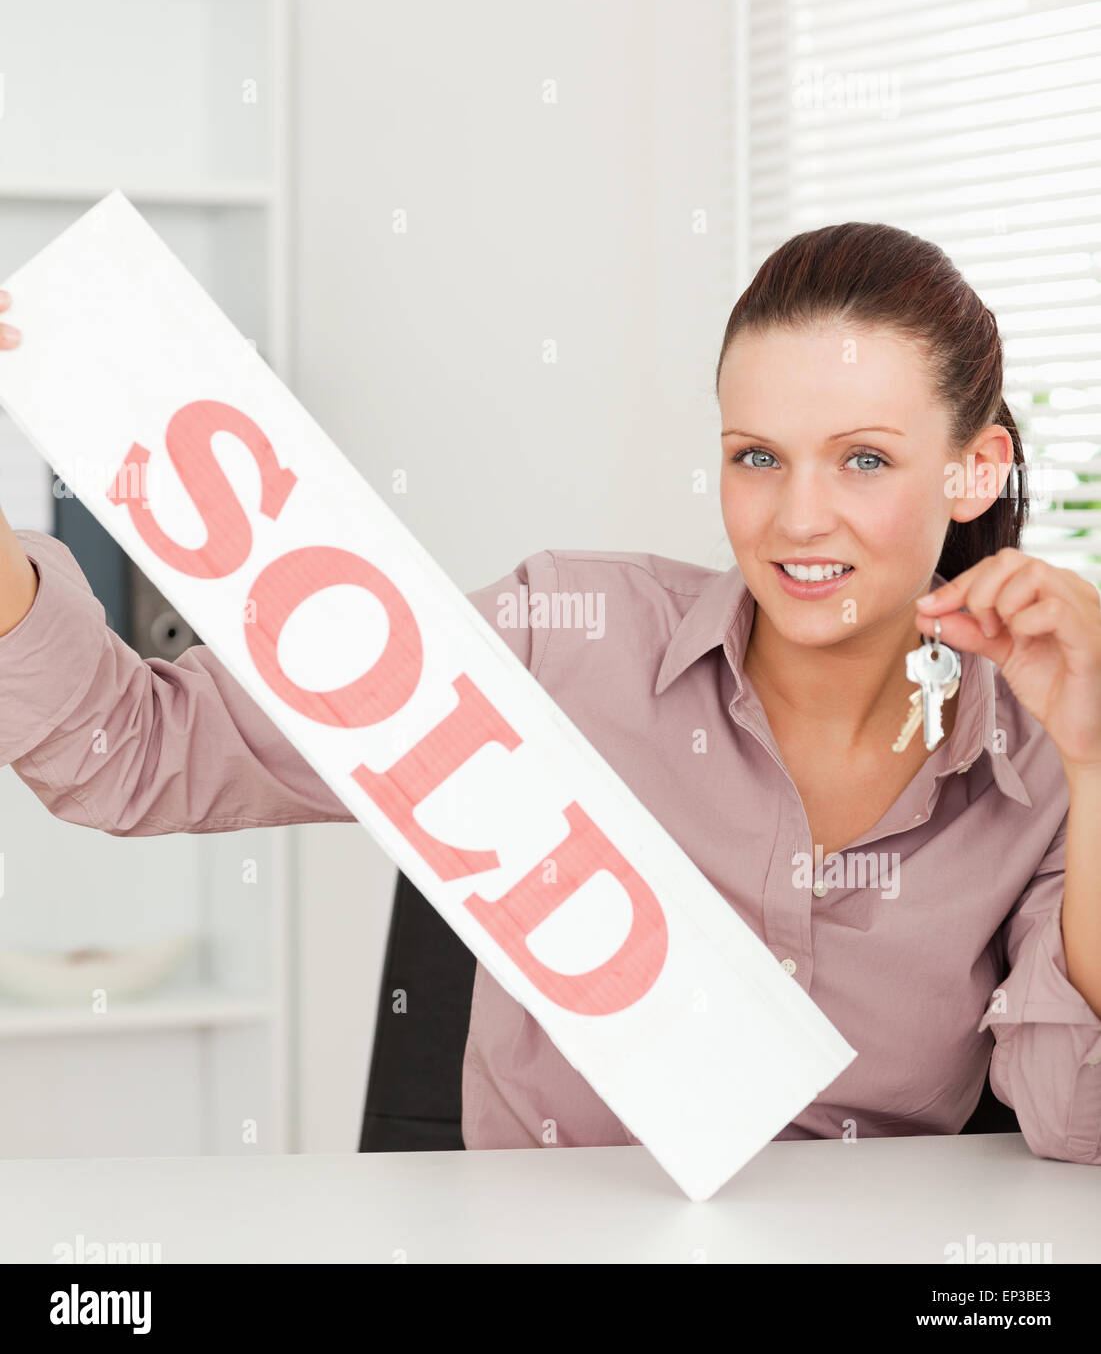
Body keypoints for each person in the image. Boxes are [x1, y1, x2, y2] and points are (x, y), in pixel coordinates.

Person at [1, 223, 1099, 1163]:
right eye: (758, 458)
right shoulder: (565, 645)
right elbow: (129, 752)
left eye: (864, 460)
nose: (799, 517)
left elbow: (1074, 1115)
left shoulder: (1042, 753)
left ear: (976, 468)